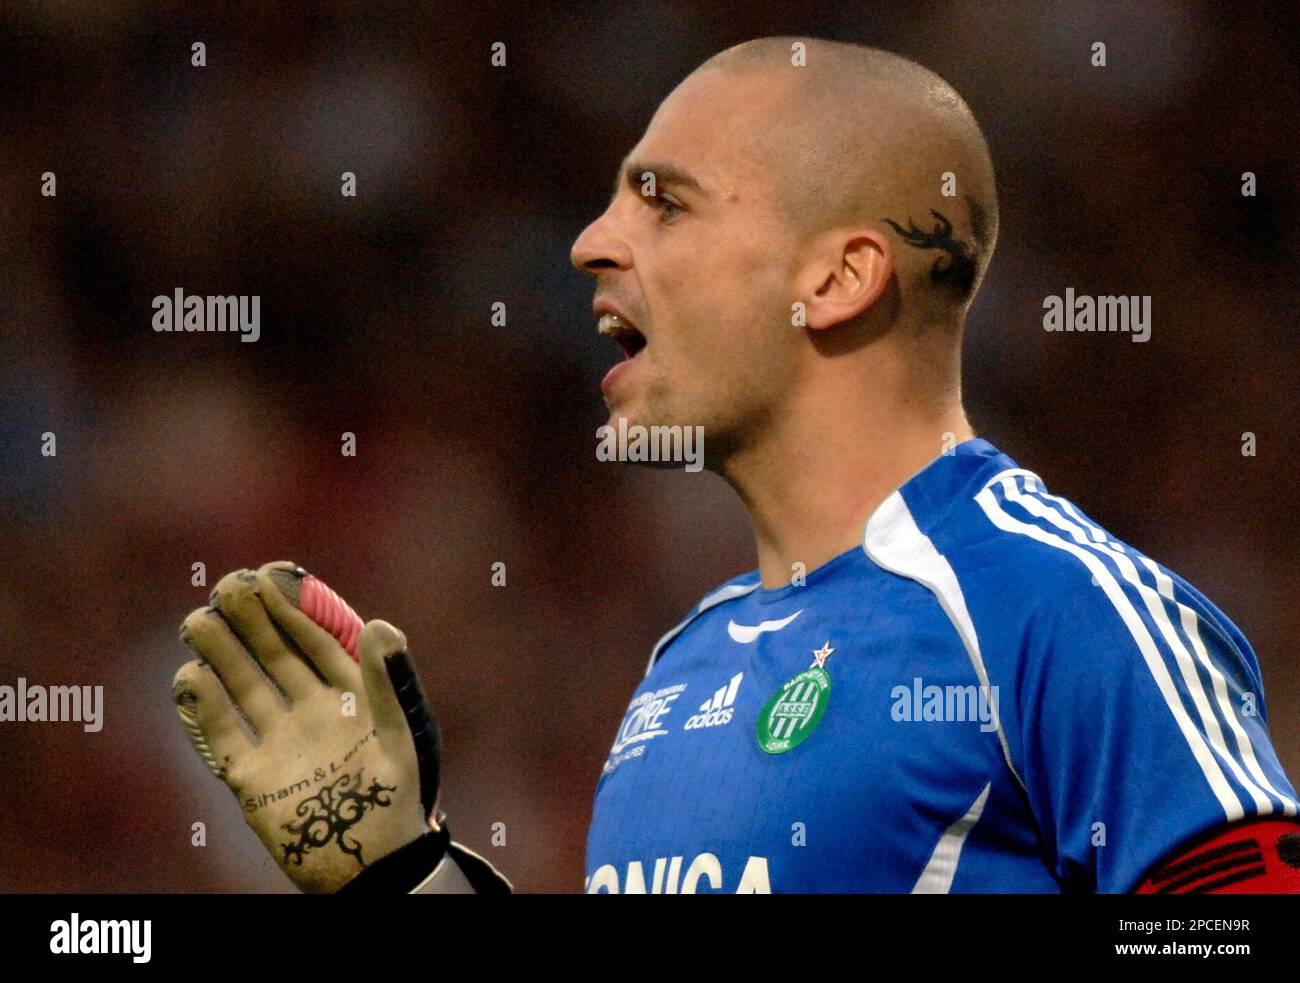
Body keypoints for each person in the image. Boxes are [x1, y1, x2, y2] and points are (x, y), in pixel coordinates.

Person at [172, 37, 1300, 894]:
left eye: (664, 201)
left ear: (840, 277)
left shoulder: (1054, 610)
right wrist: (401, 875)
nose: (590, 242)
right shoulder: (683, 660)